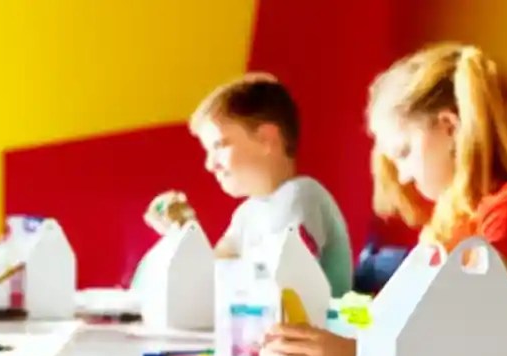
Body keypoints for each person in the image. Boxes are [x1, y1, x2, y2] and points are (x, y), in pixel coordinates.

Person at [264, 44, 507, 356]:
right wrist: (342, 323)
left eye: (404, 151)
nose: (403, 175)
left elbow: (464, 337)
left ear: (450, 128)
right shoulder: (451, 221)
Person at [141, 73, 355, 297]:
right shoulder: (247, 213)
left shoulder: (300, 195)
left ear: (266, 140)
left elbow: (283, 284)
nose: (210, 165)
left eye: (220, 146)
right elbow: (212, 278)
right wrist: (184, 230)